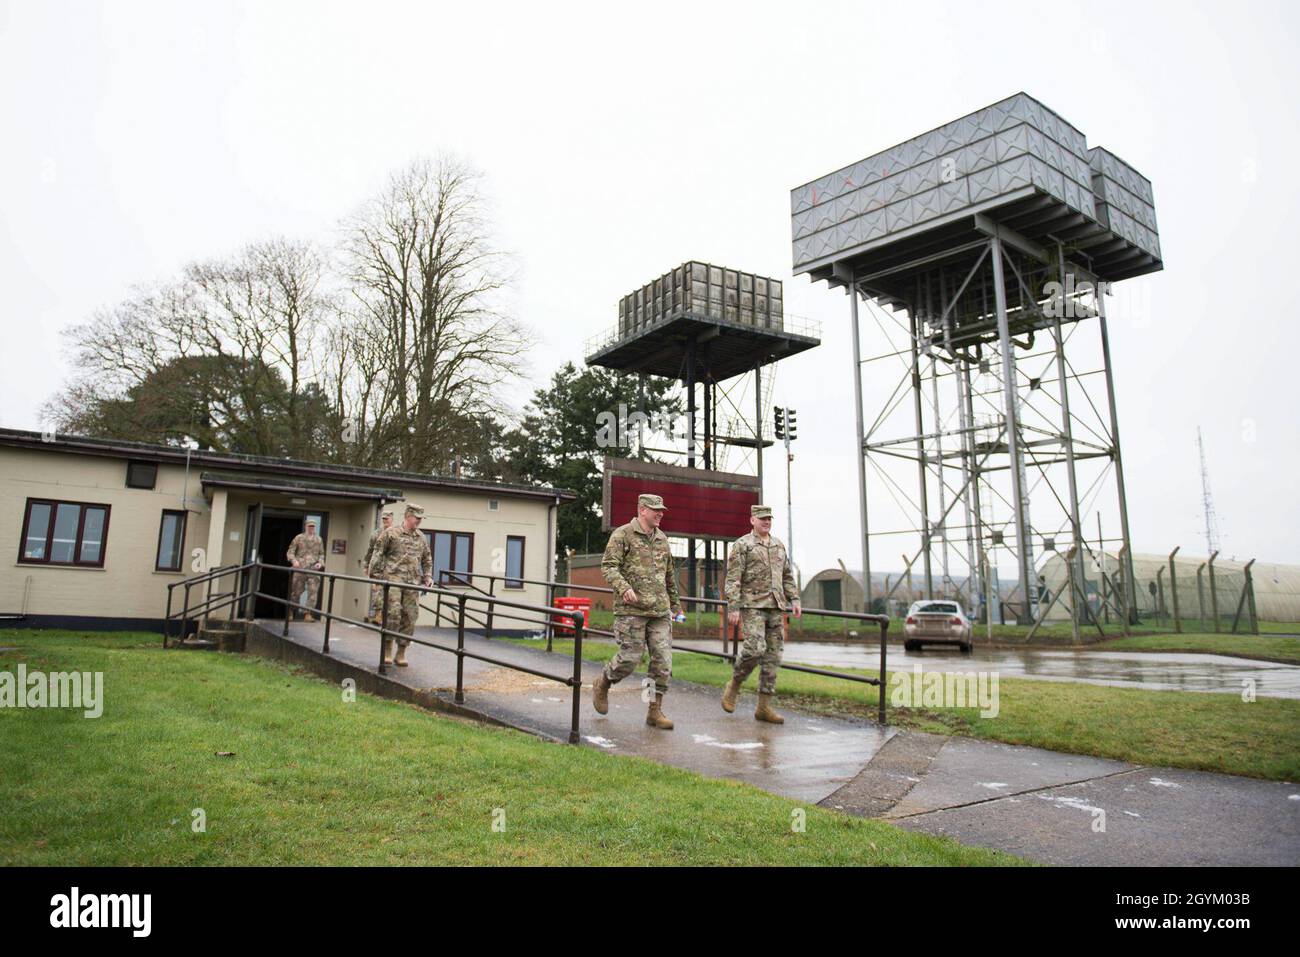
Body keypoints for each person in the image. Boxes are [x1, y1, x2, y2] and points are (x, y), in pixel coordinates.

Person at [592, 493, 683, 730]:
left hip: (660, 612)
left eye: (662, 510)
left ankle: (654, 709)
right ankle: (603, 682)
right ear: (642, 510)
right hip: (631, 610)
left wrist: (675, 605)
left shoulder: (662, 539)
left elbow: (669, 576)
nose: (660, 513)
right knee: (630, 659)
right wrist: (624, 588)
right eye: (656, 510)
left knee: (662, 663)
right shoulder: (622, 534)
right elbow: (608, 566)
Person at [721, 504, 801, 723]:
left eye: (769, 519)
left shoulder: (778, 545)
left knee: (773, 656)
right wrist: (734, 606)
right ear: (752, 520)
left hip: (776, 606)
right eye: (762, 518)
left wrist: (794, 598)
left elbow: (786, 575)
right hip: (752, 605)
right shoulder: (743, 545)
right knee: (755, 648)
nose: (766, 522)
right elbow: (733, 578)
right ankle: (735, 684)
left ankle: (764, 706)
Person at [367, 503, 433, 667]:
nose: (419, 522)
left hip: (412, 583)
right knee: (393, 613)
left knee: (410, 616)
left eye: (420, 519)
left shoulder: (421, 537)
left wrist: (428, 576)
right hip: (393, 580)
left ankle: (401, 651)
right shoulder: (391, 533)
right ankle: (387, 648)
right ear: (408, 516)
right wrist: (375, 577)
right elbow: (377, 554)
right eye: (417, 518)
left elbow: (427, 558)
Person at [286, 519, 325, 623]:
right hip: (300, 568)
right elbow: (290, 552)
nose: (311, 528)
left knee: (313, 591)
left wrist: (320, 563)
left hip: (313, 569)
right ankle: (291, 611)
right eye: (309, 526)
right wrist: (294, 561)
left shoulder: (319, 539)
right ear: (305, 526)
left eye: (313, 526)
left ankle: (308, 614)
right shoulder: (299, 538)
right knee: (296, 591)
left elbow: (322, 554)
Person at [363, 508, 395, 623]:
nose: (385, 521)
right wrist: (366, 566)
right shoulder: (376, 533)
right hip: (378, 567)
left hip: (392, 568)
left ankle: (386, 616)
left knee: (391, 593)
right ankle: (378, 615)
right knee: (377, 591)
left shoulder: (397, 533)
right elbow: (370, 551)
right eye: (383, 519)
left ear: (392, 519)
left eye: (387, 519)